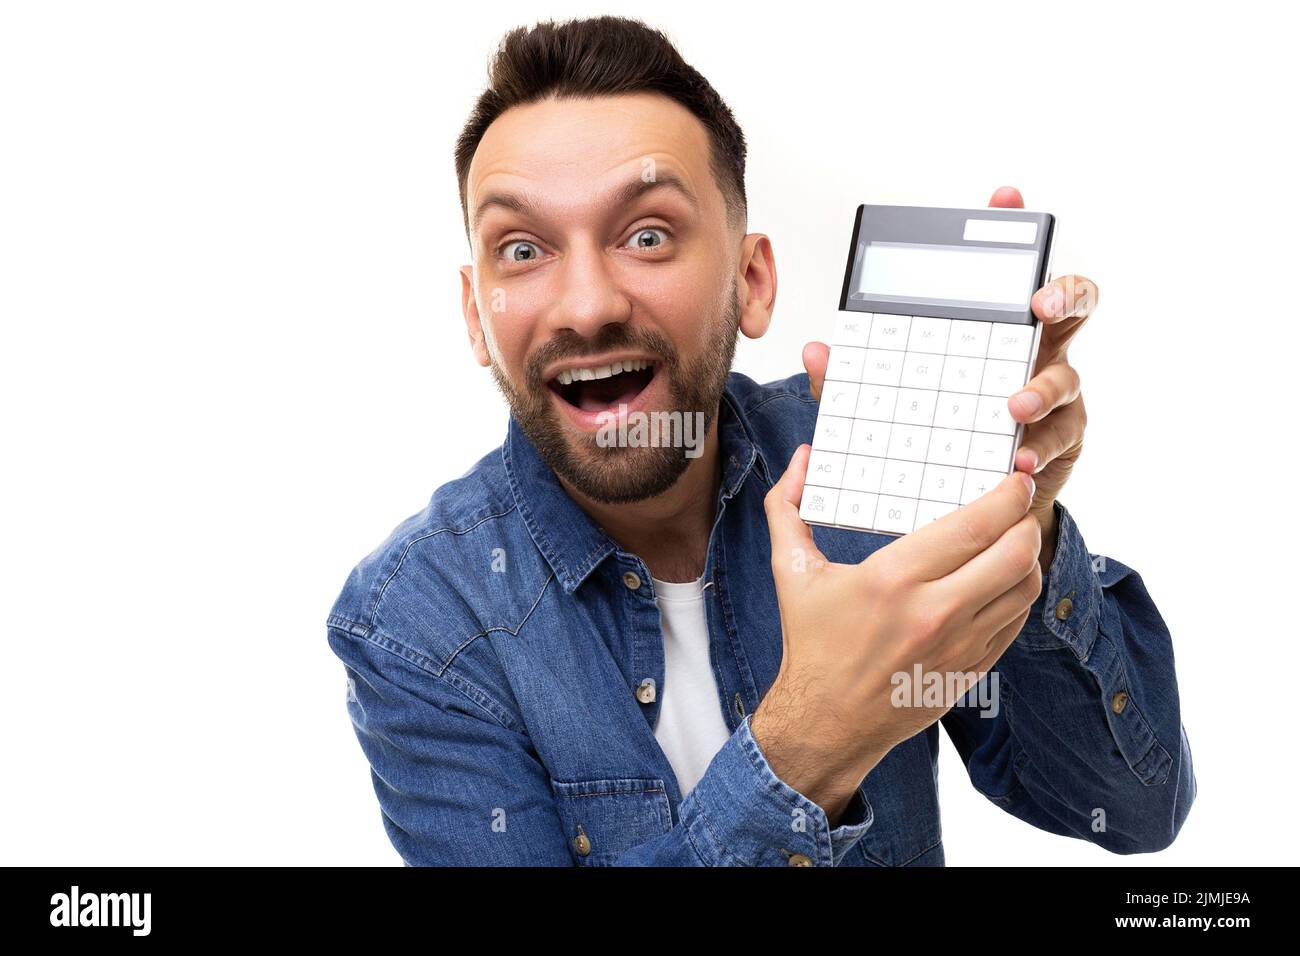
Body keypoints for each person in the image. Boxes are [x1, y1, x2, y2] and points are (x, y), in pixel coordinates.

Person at [325, 14, 1195, 866]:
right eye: (522, 249)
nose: (587, 305)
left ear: (751, 281)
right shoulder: (415, 623)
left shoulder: (862, 471)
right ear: (478, 317)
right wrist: (810, 741)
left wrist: (1025, 523)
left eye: (649, 235)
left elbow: (1133, 811)